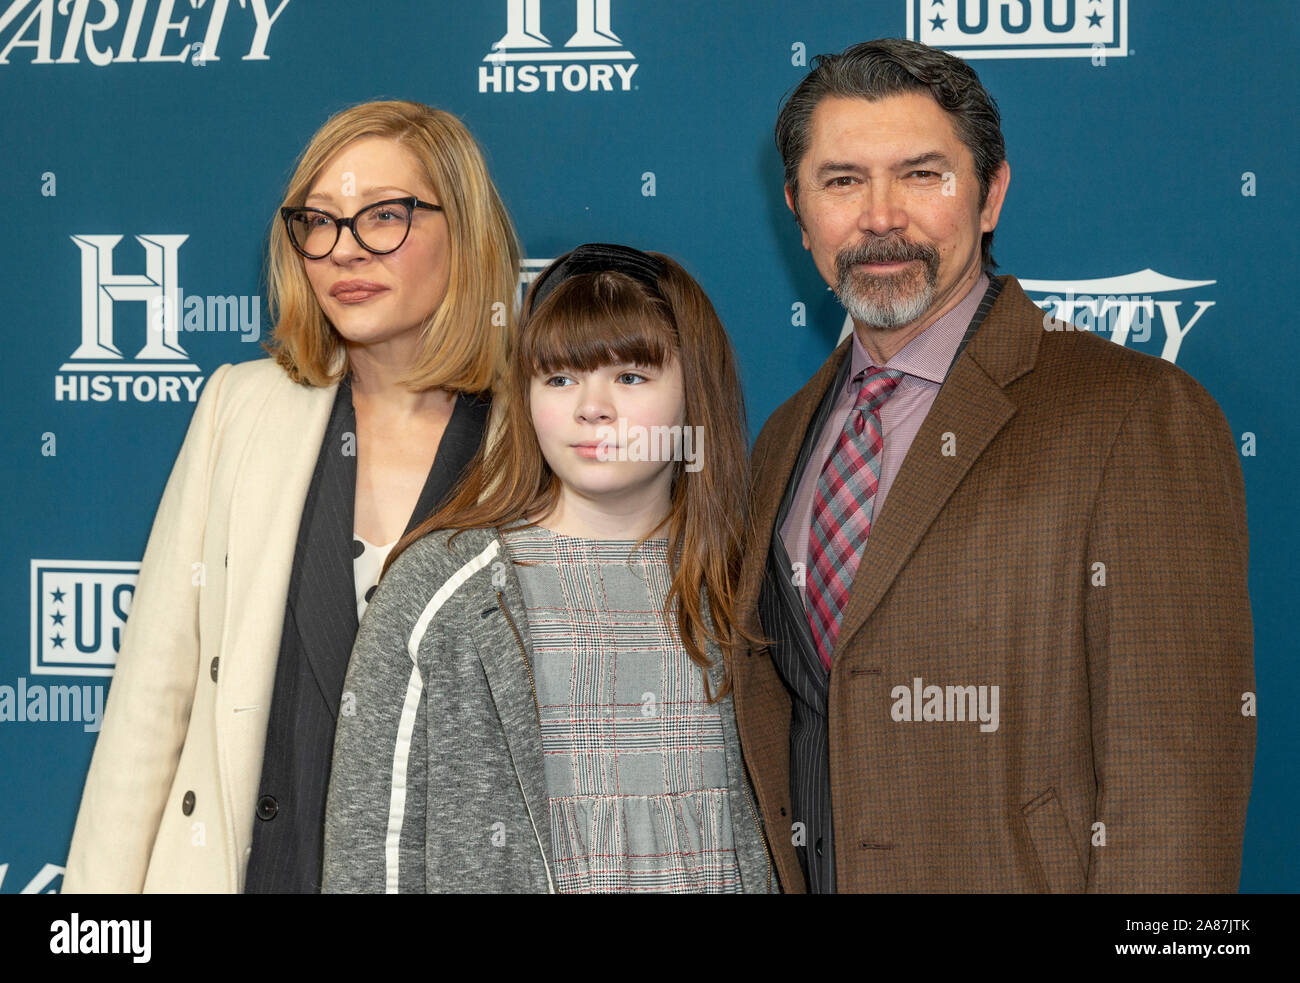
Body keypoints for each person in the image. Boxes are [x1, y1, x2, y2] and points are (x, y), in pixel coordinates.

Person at [731, 39, 1255, 893]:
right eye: (842, 181)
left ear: (990, 195)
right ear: (797, 209)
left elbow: (1176, 783)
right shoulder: (784, 437)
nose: (881, 216)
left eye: (923, 174)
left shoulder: (1135, 414)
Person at [62, 100, 521, 893]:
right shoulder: (242, 408)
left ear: (466, 230)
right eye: (319, 221)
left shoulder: (534, 433)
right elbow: (151, 700)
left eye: (385, 215)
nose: (345, 249)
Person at [322, 244, 774, 893]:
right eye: (559, 378)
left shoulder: (748, 585)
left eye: (630, 376)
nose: (592, 407)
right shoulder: (441, 588)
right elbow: (370, 856)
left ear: (694, 389)